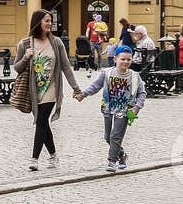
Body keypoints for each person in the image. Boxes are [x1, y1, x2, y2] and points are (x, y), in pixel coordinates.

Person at [13, 9, 84, 172]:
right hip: (33, 91)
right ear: (38, 22)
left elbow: (66, 67)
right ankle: (53, 155)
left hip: (52, 89)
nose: (50, 23)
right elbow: (17, 68)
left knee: (41, 121)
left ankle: (34, 159)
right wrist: (26, 57)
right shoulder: (25, 43)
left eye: (50, 21)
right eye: (46, 20)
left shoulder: (56, 42)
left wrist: (76, 88)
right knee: (43, 123)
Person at [77, 47, 147, 172]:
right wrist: (84, 94)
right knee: (108, 137)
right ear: (115, 59)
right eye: (123, 59)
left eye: (129, 59)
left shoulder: (135, 76)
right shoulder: (107, 73)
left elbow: (142, 93)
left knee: (115, 136)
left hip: (124, 110)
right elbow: (95, 86)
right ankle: (122, 155)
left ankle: (112, 161)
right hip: (108, 108)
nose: (126, 62)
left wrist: (137, 107)